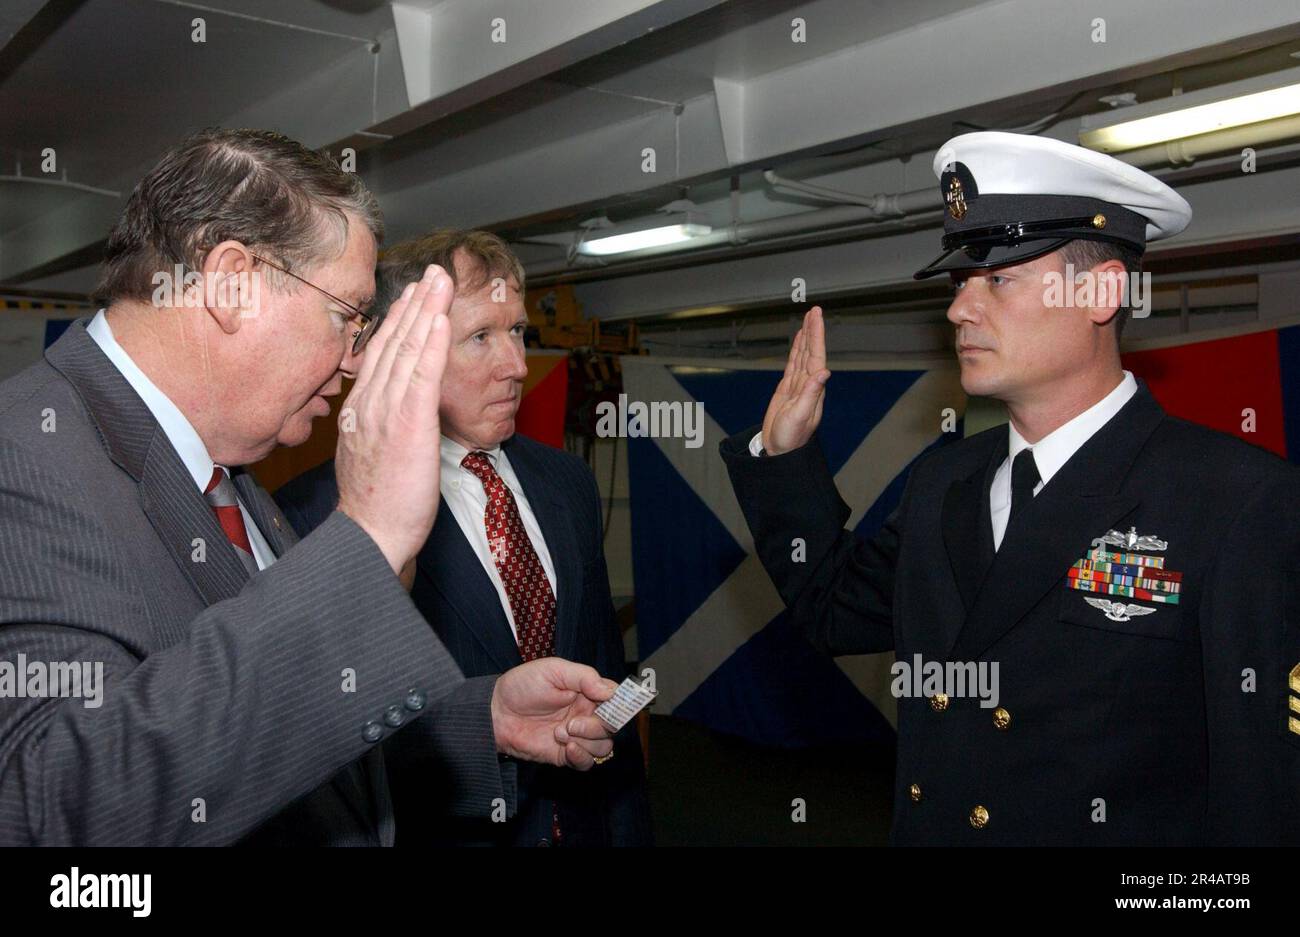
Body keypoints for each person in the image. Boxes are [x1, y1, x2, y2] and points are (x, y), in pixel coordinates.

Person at [0, 128, 617, 846]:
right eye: (347, 316)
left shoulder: (232, 479)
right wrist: (371, 538)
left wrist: (481, 721)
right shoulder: (25, 458)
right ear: (232, 283)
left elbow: (280, 728)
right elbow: (52, 811)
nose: (355, 360)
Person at [720, 131, 1300, 845]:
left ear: (1101, 291)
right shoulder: (947, 480)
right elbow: (836, 609)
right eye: (962, 280)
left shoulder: (1234, 501)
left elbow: (1263, 802)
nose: (960, 308)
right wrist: (784, 456)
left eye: (997, 279)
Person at [276, 229, 652, 847]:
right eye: (481, 337)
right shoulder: (318, 514)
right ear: (406, 348)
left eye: (518, 332)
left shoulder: (567, 481)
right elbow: (333, 736)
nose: (517, 366)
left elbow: (605, 673)